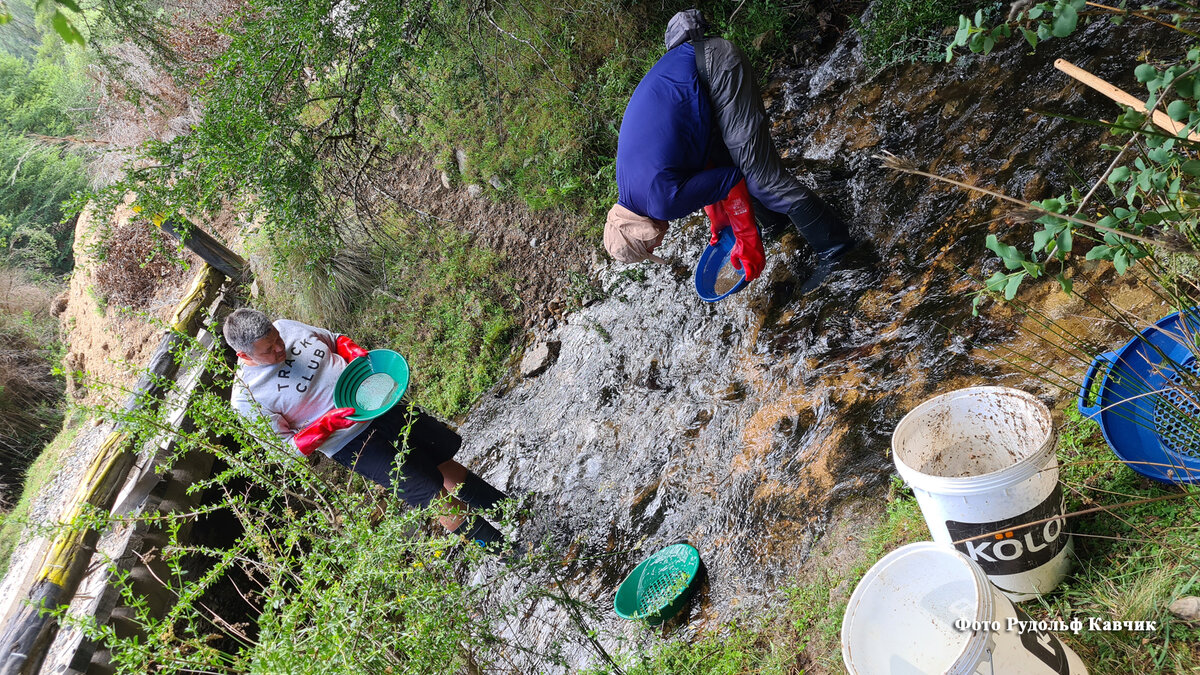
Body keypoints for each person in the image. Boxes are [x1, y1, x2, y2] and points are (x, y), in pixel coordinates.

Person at [604, 9, 857, 288]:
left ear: (642, 233)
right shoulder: (630, 188)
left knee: (763, 181)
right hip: (696, 73)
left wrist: (748, 241)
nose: (657, 246)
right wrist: (720, 221)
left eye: (649, 248)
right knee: (737, 162)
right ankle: (777, 224)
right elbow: (696, 171)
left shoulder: (660, 204)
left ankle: (837, 251)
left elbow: (730, 179)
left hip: (713, 68)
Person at [222, 308, 508, 549]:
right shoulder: (247, 396)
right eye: (269, 350)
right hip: (354, 445)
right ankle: (505, 550)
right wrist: (325, 425)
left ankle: (511, 512)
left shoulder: (285, 327)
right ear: (243, 355)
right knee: (430, 494)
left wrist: (353, 350)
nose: (280, 347)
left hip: (379, 401)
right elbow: (286, 452)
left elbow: (332, 340)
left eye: (277, 339)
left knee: (443, 463)